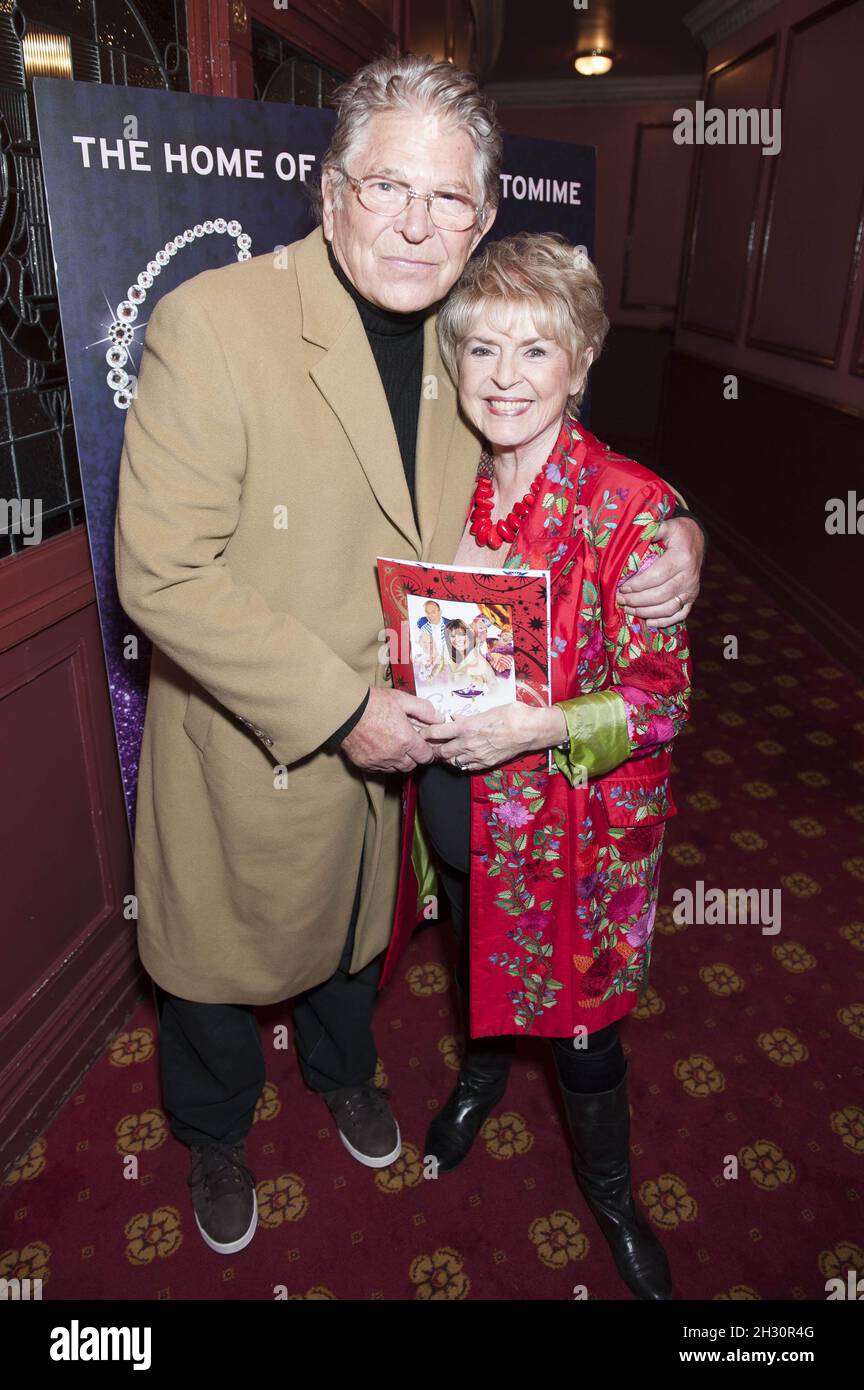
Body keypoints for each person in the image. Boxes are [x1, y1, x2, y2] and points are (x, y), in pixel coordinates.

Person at [114, 52, 705, 1258]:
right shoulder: (212, 323)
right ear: (329, 191)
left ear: (484, 217)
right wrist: (340, 711)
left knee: (355, 945)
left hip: (416, 746)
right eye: (387, 187)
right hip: (263, 728)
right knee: (215, 969)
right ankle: (215, 1136)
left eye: (448, 200)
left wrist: (682, 523)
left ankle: (345, 1079)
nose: (414, 224)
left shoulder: (458, 332)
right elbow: (162, 573)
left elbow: (554, 435)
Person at [381, 232, 692, 1300]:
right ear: (454, 359)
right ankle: (477, 1073)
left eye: (535, 350)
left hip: (575, 830)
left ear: (581, 361)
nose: (505, 377)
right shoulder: (437, 482)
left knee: (586, 1032)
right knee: (470, 952)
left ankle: (613, 1194)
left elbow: (662, 700)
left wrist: (541, 725)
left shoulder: (630, 508)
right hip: (454, 802)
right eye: (482, 350)